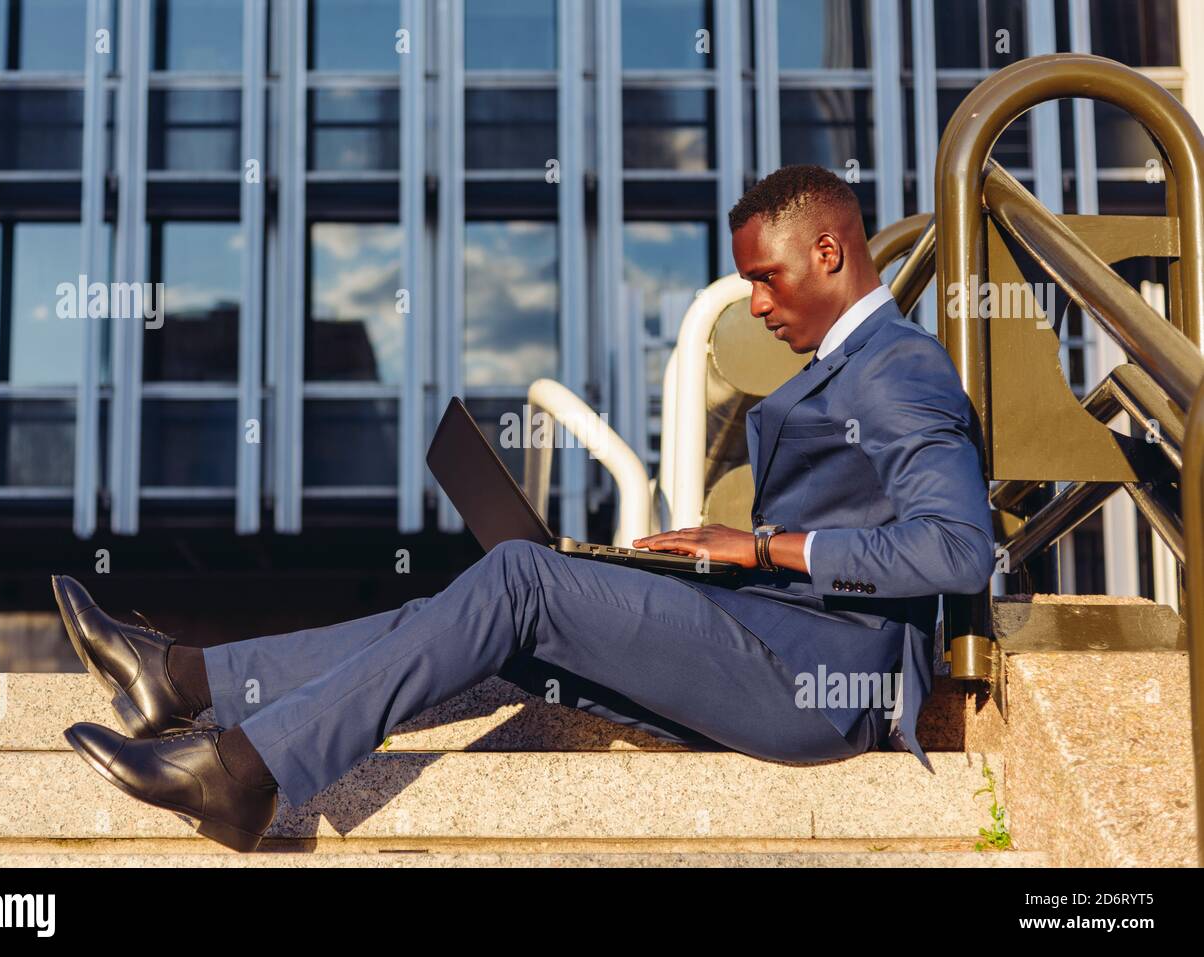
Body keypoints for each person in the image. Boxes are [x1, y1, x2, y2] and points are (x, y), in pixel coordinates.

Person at [55, 164, 995, 852]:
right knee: (492, 598)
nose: (752, 303)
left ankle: (241, 775)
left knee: (517, 576)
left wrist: (760, 547)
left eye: (766, 277)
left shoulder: (900, 367)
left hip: (820, 686)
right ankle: (180, 679)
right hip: (765, 640)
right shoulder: (849, 366)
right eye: (746, 281)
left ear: (829, 251)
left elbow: (957, 549)